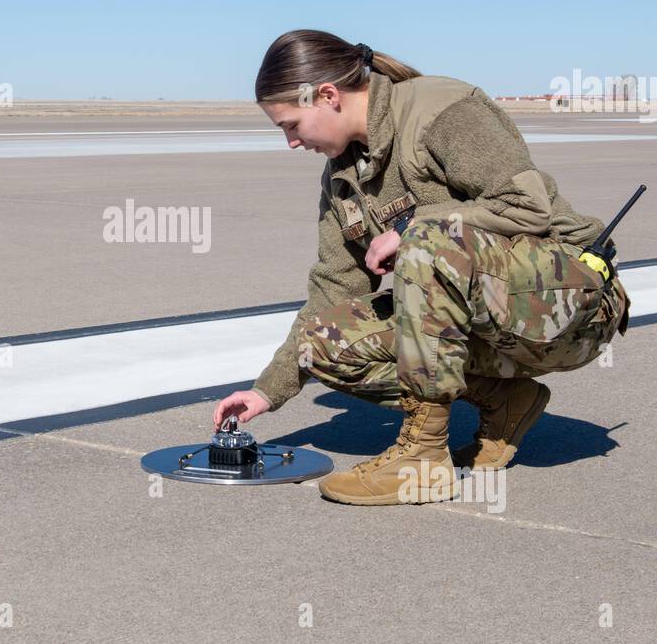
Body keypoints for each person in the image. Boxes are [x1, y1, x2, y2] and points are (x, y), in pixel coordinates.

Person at [212, 30, 631, 506]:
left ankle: (424, 459)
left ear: (327, 96)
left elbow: (527, 208)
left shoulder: (442, 110)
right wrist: (268, 391)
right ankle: (503, 400)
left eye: (290, 124)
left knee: (427, 243)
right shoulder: (344, 177)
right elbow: (335, 284)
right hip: (491, 320)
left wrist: (412, 228)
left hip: (568, 308)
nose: (290, 141)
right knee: (320, 343)